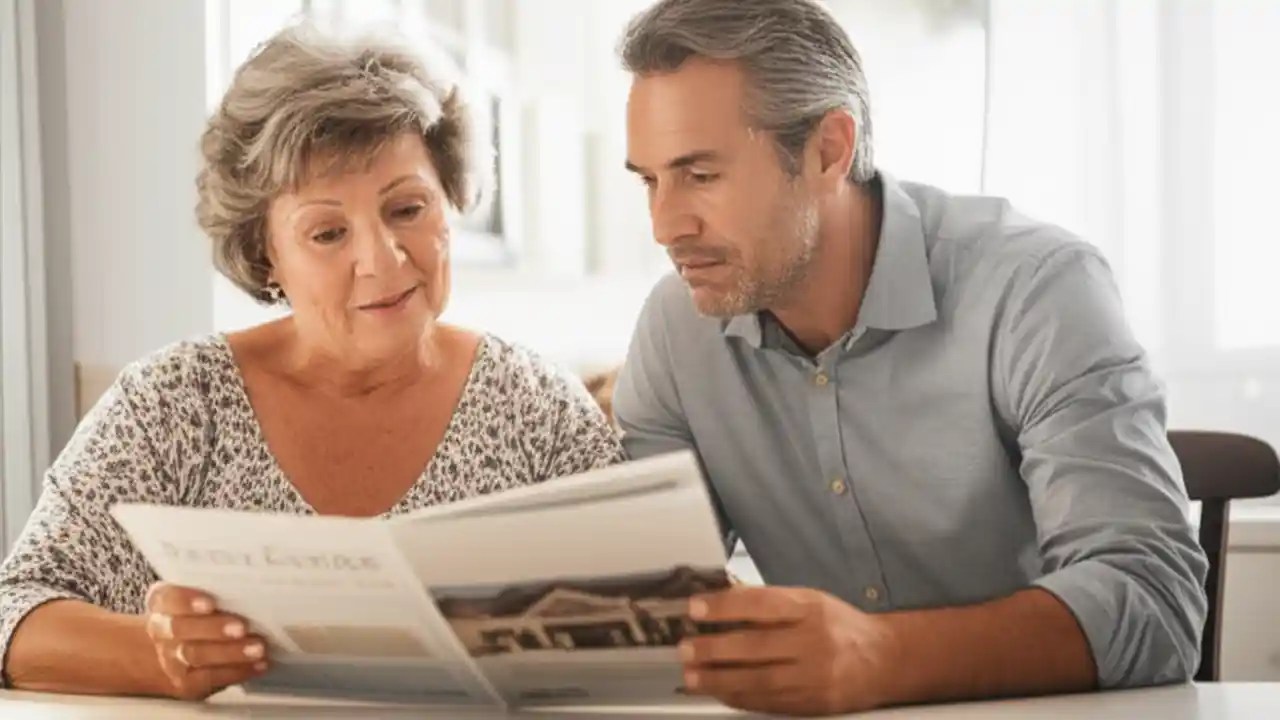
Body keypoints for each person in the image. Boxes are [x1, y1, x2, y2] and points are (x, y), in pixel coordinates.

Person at [613, 0, 1207, 715]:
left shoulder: (1035, 291)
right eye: (650, 181)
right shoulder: (674, 332)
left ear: (829, 150)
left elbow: (1154, 603)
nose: (664, 225)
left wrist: (879, 654)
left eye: (700, 175)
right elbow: (652, 600)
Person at [0, 25, 622, 700]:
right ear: (266, 255)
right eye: (328, 233)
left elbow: (653, 618)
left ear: (451, 202)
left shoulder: (540, 410)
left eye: (407, 208)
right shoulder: (173, 405)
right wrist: (159, 657)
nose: (381, 259)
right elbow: (15, 612)